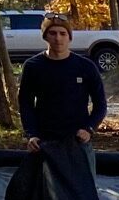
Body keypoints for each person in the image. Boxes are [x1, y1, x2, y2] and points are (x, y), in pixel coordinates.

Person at [20, 13, 108, 173]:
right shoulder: (33, 66)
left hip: (77, 141)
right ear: (45, 36)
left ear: (69, 37)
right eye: (52, 33)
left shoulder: (86, 67)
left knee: (82, 194)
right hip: (44, 142)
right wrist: (31, 134)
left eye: (63, 33)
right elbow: (25, 104)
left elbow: (101, 104)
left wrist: (89, 129)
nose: (58, 38)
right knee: (44, 195)